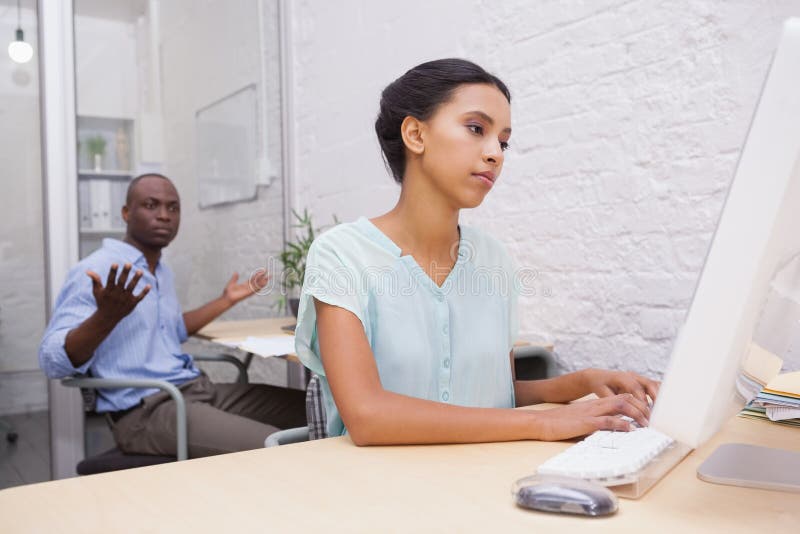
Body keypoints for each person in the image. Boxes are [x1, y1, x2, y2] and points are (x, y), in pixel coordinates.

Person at [294, 59, 659, 445]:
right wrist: (544, 423)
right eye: (476, 129)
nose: (495, 154)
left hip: (487, 473)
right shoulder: (342, 256)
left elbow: (492, 395)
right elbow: (368, 416)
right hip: (377, 479)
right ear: (415, 134)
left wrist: (582, 383)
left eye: (503, 141)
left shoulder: (493, 259)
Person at [39, 173, 306, 457]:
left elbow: (171, 330)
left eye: (173, 208)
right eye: (151, 205)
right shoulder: (97, 270)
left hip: (197, 390)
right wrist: (105, 318)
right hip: (147, 411)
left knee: (317, 409)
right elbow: (52, 361)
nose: (164, 215)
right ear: (126, 213)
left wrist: (225, 300)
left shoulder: (161, 271)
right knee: (277, 445)